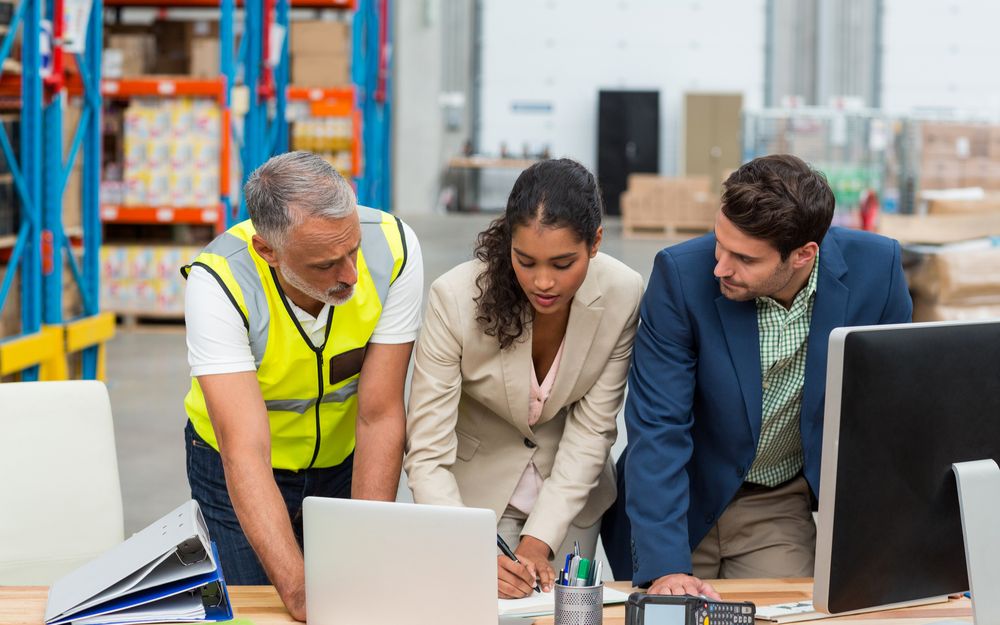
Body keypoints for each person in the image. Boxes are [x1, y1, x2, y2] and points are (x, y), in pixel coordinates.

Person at [605, 154, 912, 596]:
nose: (720, 267)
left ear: (805, 254)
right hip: (677, 495)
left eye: (744, 258)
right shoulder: (680, 277)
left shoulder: (876, 272)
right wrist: (666, 568)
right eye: (719, 242)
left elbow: (889, 420)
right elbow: (659, 426)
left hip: (774, 499)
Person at [181, 151, 423, 620]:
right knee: (260, 611)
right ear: (267, 251)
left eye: (352, 249)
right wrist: (297, 591)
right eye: (325, 265)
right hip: (237, 469)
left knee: (356, 598)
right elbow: (245, 451)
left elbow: (380, 413)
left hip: (344, 459)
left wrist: (365, 550)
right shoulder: (218, 282)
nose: (351, 275)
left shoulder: (394, 249)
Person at [404, 158, 643, 599]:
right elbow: (427, 452)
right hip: (470, 503)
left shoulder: (623, 293)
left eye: (563, 262)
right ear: (508, 243)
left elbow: (593, 431)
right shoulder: (455, 299)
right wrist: (466, 548)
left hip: (570, 504)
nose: (544, 281)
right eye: (526, 261)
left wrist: (539, 541)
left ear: (596, 243)